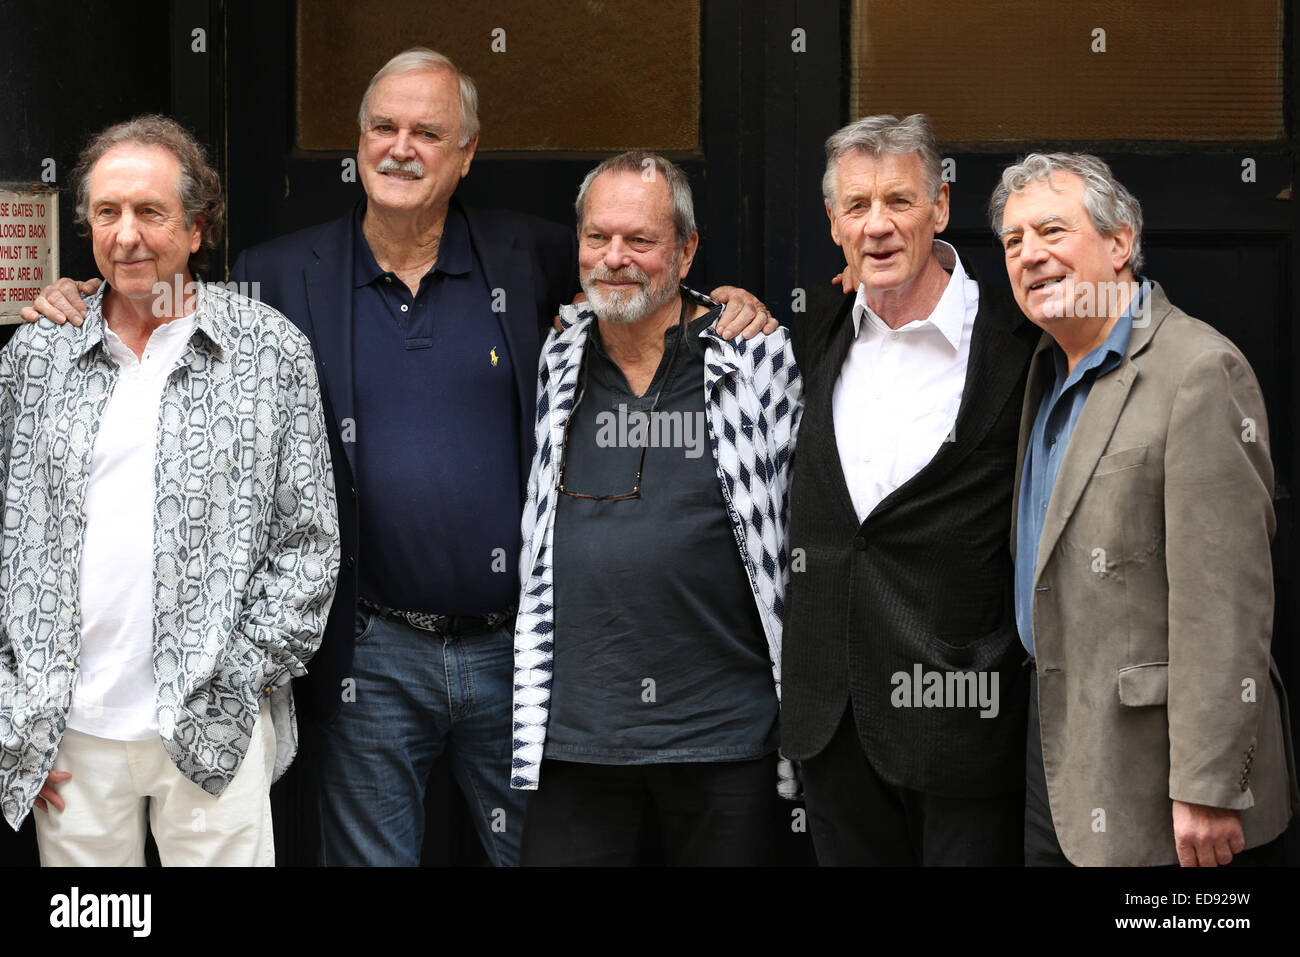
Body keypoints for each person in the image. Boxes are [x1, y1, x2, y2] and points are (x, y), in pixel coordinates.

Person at [25, 48, 774, 866]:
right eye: (382, 125)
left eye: (427, 130)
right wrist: (81, 299)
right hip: (370, 654)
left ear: (467, 152)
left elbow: (631, 279)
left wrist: (728, 302)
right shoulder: (277, 277)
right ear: (356, 142)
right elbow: (162, 301)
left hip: (516, 650)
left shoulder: (530, 256)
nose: (400, 146)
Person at [0, 115, 338, 865]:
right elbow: (8, 539)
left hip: (212, 726)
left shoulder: (269, 351)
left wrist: (238, 680)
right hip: (71, 733)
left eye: (150, 212)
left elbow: (308, 542)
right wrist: (16, 712)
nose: (126, 235)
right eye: (108, 212)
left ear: (196, 229)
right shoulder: (37, 355)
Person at [993, 151, 1298, 866]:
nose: (1030, 255)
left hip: (1165, 778)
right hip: (1058, 758)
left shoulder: (1197, 371)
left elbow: (1225, 603)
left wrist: (1209, 782)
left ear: (1120, 241)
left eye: (1051, 231)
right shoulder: (1042, 368)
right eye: (1013, 241)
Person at [511, 151, 801, 865]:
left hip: (725, 737)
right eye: (597, 237)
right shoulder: (558, 354)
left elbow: (805, 515)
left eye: (640, 240)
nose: (615, 258)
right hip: (578, 739)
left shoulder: (754, 355)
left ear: (686, 248)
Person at [780, 114, 1036, 865]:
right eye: (857, 207)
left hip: (961, 721)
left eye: (899, 201)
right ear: (834, 224)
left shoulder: (1019, 343)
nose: (878, 225)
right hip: (833, 721)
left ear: (942, 208)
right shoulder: (815, 330)